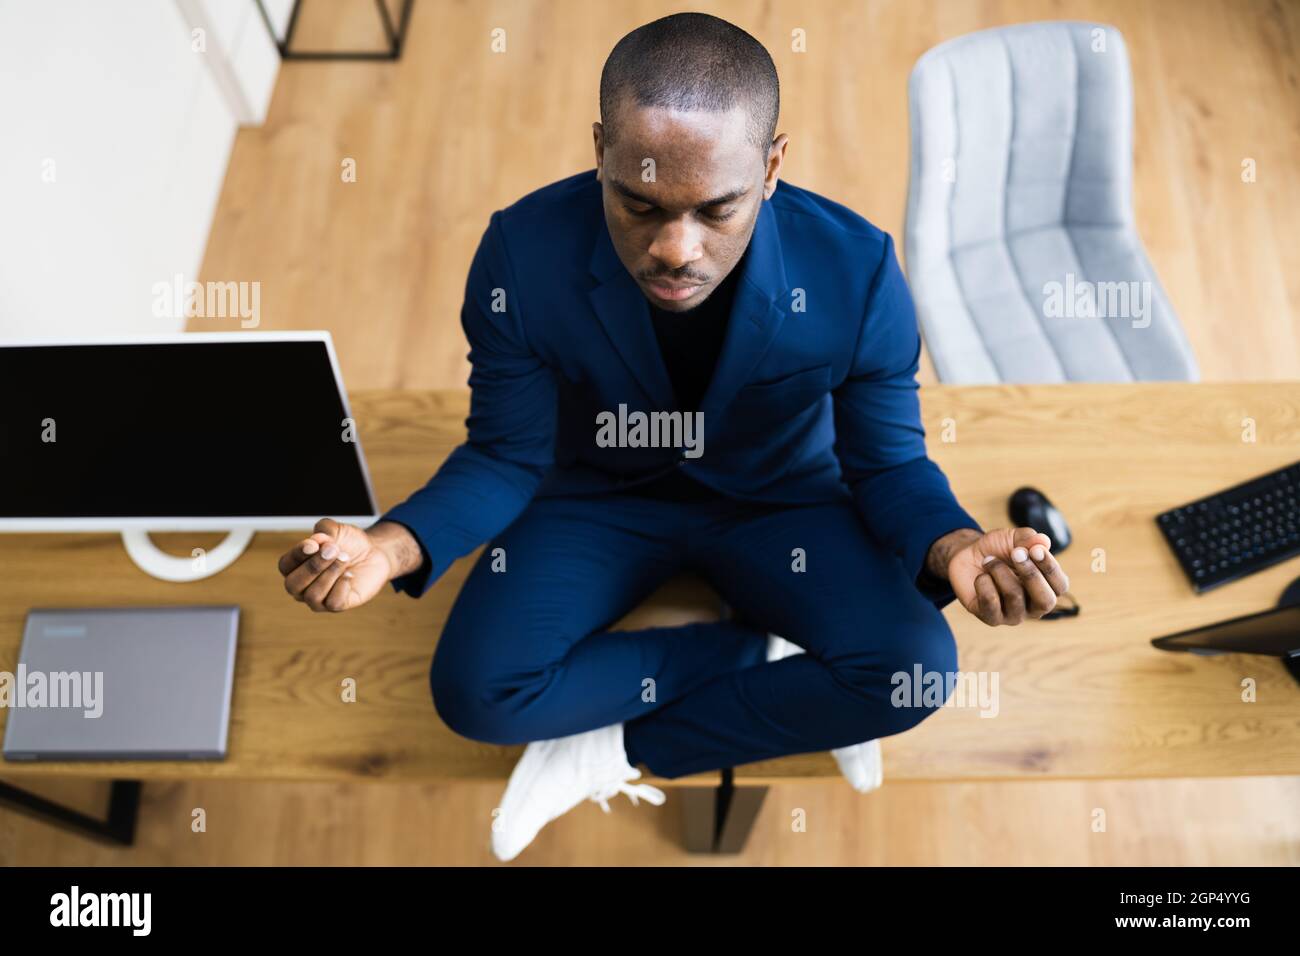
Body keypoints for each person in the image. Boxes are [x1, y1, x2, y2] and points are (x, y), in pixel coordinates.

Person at [276, 12, 1069, 861]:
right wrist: (391, 547)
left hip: (783, 505)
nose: (673, 250)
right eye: (639, 203)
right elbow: (507, 454)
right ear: (601, 153)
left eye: (717, 208)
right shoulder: (520, 253)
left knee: (916, 671)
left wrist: (952, 547)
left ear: (771, 167)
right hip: (599, 502)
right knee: (476, 695)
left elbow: (887, 462)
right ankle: (754, 651)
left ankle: (610, 750)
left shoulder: (857, 269)